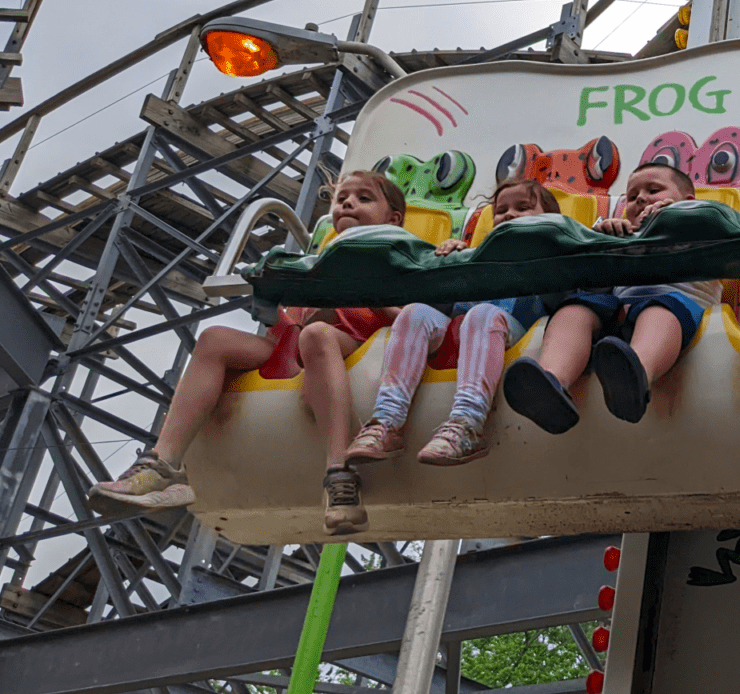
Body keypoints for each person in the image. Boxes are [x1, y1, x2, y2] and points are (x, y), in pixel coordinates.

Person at [86, 171, 407, 536]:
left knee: (317, 334)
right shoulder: (319, 257)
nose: (348, 203)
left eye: (364, 199)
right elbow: (292, 323)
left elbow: (412, 318)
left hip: (361, 341)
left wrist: (362, 291)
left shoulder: (399, 254)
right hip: (297, 345)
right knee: (215, 339)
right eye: (341, 198)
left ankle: (340, 474)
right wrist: (272, 301)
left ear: (393, 217)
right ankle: (162, 465)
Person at [345, 178, 564, 476]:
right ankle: (387, 420)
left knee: (482, 314)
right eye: (501, 210)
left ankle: (468, 423)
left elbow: (561, 299)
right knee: (415, 313)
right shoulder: (477, 256)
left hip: (516, 329)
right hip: (465, 326)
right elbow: (442, 305)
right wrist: (452, 264)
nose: (509, 215)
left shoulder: (555, 257)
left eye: (523, 208)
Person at [502, 162, 722, 430]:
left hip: (673, 313)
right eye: (632, 196)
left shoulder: (700, 225)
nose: (641, 198)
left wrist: (676, 216)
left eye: (653, 190)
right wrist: (602, 242)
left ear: (688, 200)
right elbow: (588, 282)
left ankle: (636, 376)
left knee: (659, 308)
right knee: (575, 309)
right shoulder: (620, 233)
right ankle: (551, 383)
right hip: (618, 320)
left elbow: (724, 235)